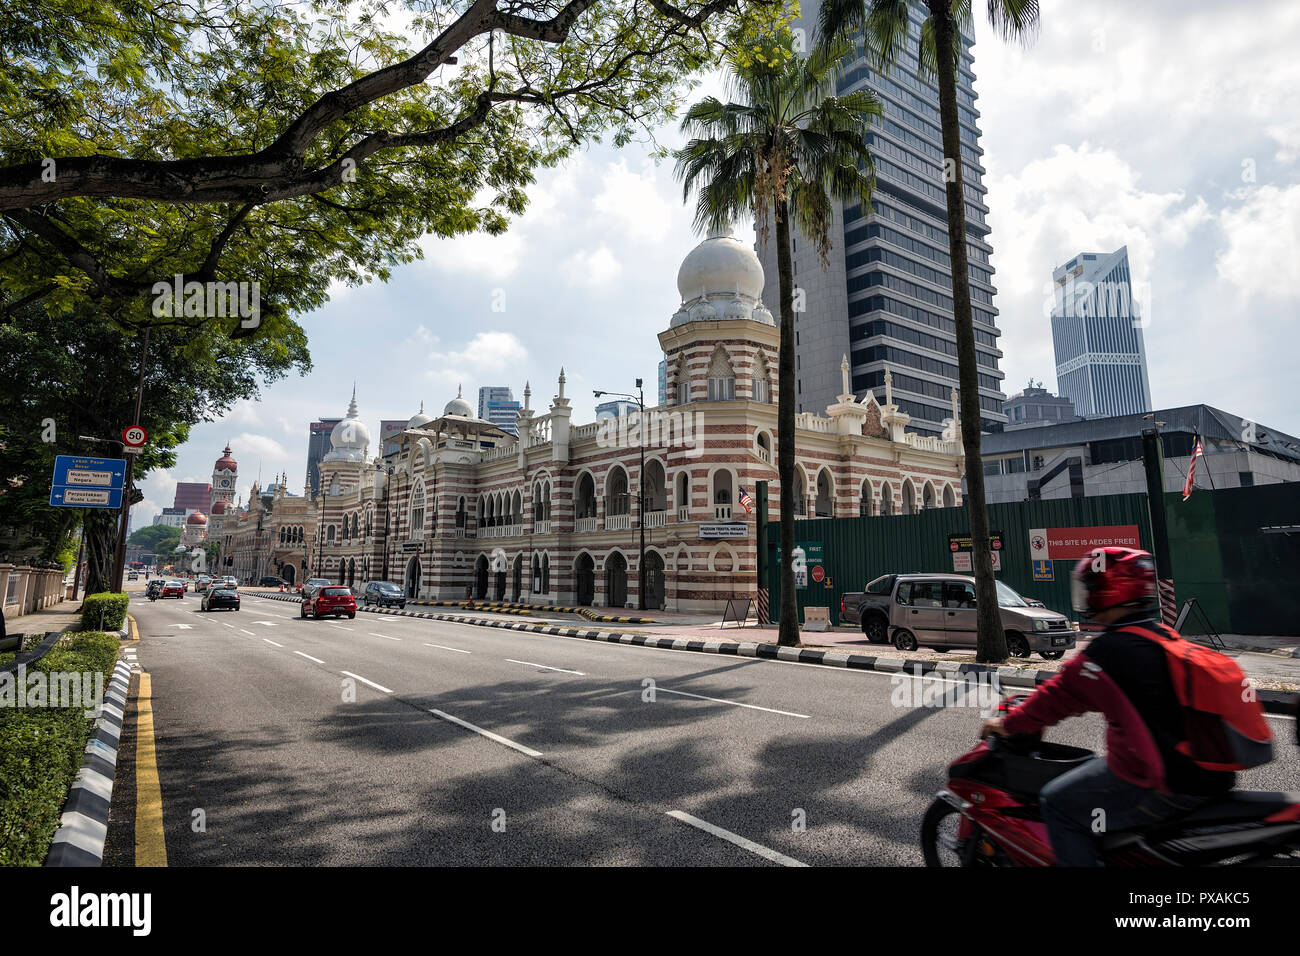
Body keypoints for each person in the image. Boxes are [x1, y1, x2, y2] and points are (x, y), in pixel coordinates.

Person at [980, 546, 1236, 866]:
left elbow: (1053, 700)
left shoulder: (1107, 652)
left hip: (1158, 779)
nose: (1086, 596)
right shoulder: (1162, 635)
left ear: (1110, 591)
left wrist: (1005, 723)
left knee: (1057, 803)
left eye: (1090, 588)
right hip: (1206, 775)